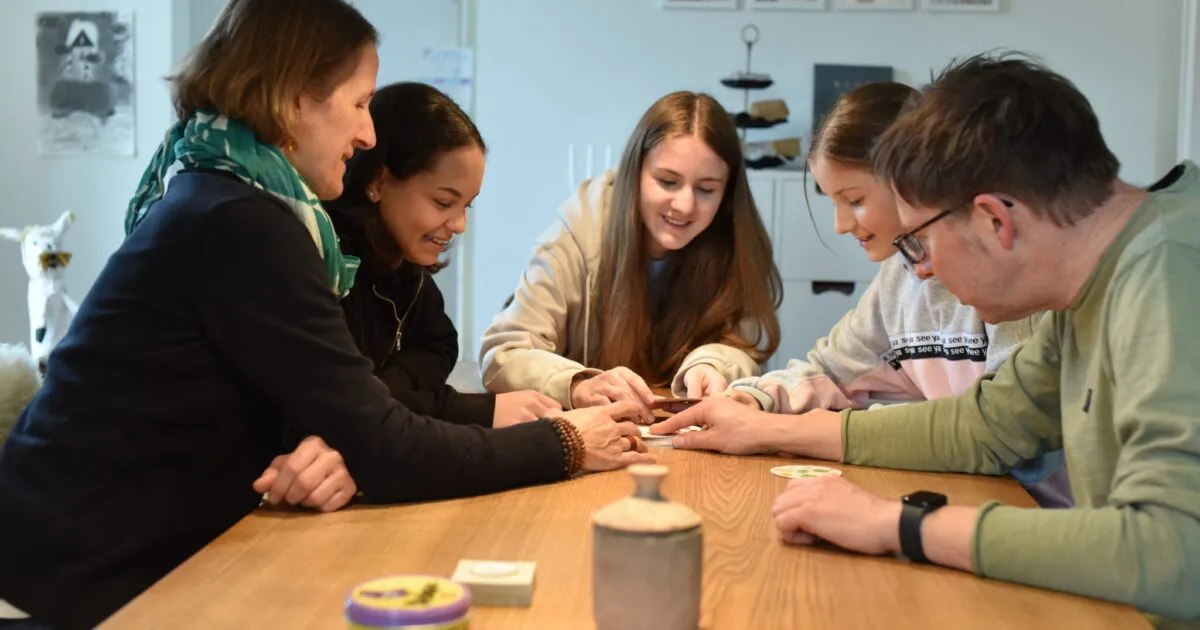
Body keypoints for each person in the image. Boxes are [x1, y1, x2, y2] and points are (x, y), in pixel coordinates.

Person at [0, 2, 651, 629]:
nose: (368, 134)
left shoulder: (220, 194)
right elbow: (387, 448)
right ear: (292, 98)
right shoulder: (242, 222)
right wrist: (566, 442)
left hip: (106, 563)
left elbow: (349, 412)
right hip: (70, 586)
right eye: (360, 102)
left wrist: (341, 439)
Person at [656, 52, 1200, 628]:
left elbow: (1174, 553)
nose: (917, 270)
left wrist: (903, 526)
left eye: (917, 244)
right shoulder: (1095, 279)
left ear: (994, 220)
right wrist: (772, 428)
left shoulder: (1168, 270)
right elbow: (986, 428)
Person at [710, 82, 1068, 507]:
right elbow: (833, 370)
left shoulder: (1012, 284)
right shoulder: (897, 279)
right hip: (964, 498)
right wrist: (755, 397)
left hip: (1027, 511)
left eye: (855, 200)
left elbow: (1001, 435)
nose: (841, 225)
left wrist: (839, 424)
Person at [479, 91, 783, 421]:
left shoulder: (738, 242)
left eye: (706, 189)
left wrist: (713, 364)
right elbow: (504, 354)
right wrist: (578, 384)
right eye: (668, 182)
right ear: (634, 173)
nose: (684, 205)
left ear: (726, 193)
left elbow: (745, 348)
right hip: (587, 437)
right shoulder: (576, 235)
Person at [326, 81, 560, 428]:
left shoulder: (402, 267)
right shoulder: (327, 261)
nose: (460, 224)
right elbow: (347, 407)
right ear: (378, 180)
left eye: (466, 205)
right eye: (443, 202)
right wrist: (482, 411)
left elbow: (438, 345)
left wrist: (387, 389)